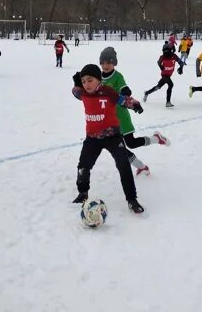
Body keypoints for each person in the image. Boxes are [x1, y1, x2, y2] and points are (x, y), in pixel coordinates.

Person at [71, 63, 145, 213]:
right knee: (83, 166)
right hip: (92, 138)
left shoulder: (107, 92)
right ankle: (83, 193)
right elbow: (75, 91)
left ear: (99, 80)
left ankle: (132, 199)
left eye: (90, 80)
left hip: (113, 137)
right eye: (84, 81)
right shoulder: (83, 93)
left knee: (123, 165)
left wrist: (134, 104)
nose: (87, 84)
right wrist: (77, 83)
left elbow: (123, 100)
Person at [100, 47, 170, 176]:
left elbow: (125, 88)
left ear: (114, 63)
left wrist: (124, 93)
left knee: (130, 143)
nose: (106, 65)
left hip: (121, 117)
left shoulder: (117, 76)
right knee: (119, 148)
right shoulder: (98, 77)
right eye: (103, 62)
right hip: (108, 120)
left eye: (109, 62)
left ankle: (156, 139)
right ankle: (142, 167)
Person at [143, 43, 184, 108]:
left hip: (169, 75)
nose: (167, 52)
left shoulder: (174, 56)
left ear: (171, 50)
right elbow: (158, 62)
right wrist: (161, 67)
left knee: (158, 87)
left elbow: (181, 62)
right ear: (163, 51)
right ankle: (168, 102)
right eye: (165, 51)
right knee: (171, 85)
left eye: (168, 50)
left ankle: (147, 93)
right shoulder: (162, 57)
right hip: (164, 75)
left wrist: (181, 68)